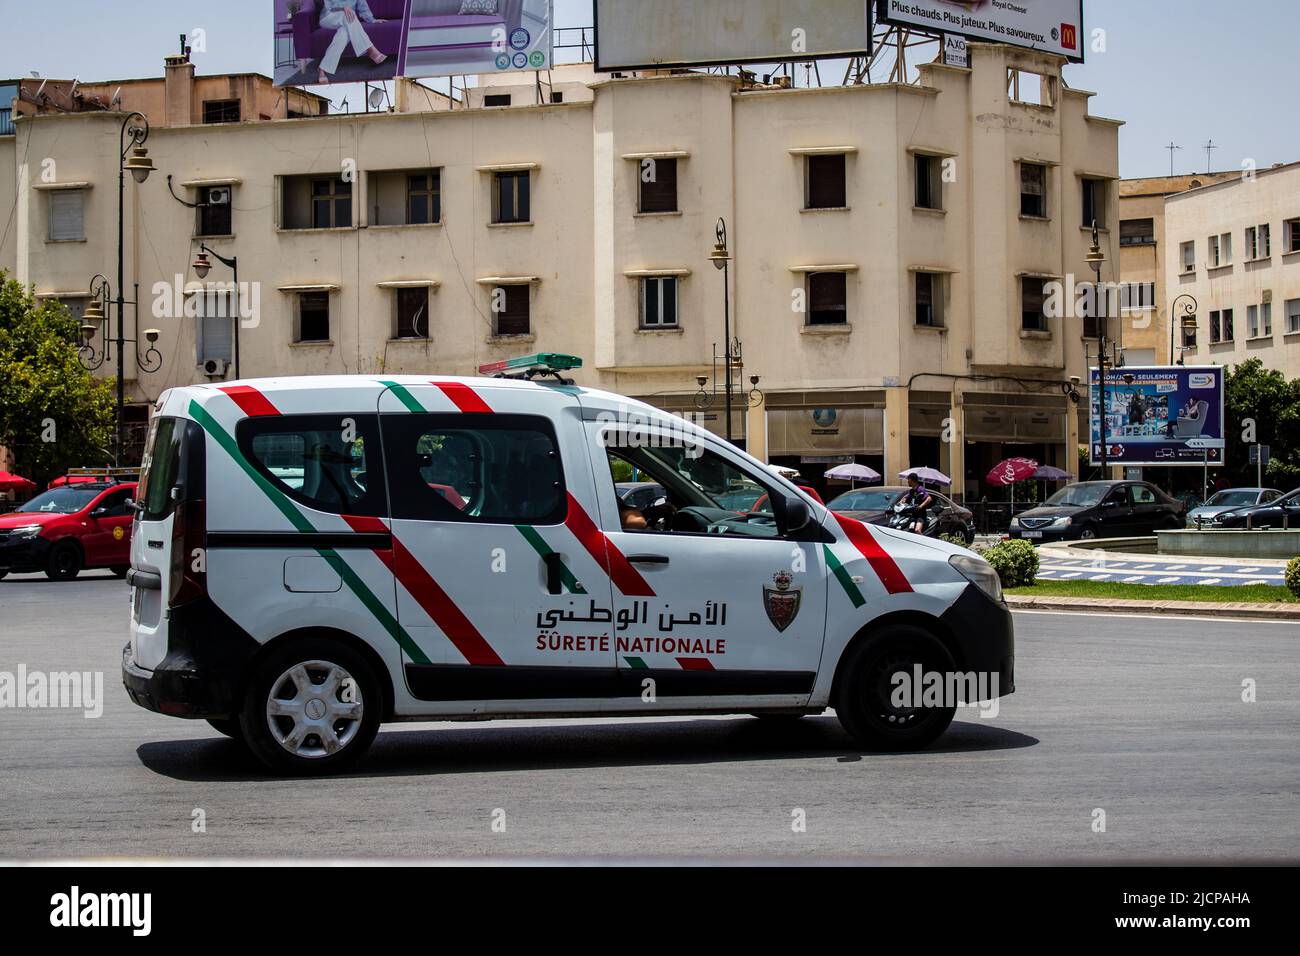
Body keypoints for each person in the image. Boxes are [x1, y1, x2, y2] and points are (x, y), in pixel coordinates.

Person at [317, 0, 388, 85]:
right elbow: (329, 6)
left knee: (343, 34)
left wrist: (372, 20)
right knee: (348, 13)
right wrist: (343, 8)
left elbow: (363, 7)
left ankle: (322, 68)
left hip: (347, 19)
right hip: (328, 17)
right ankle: (370, 49)